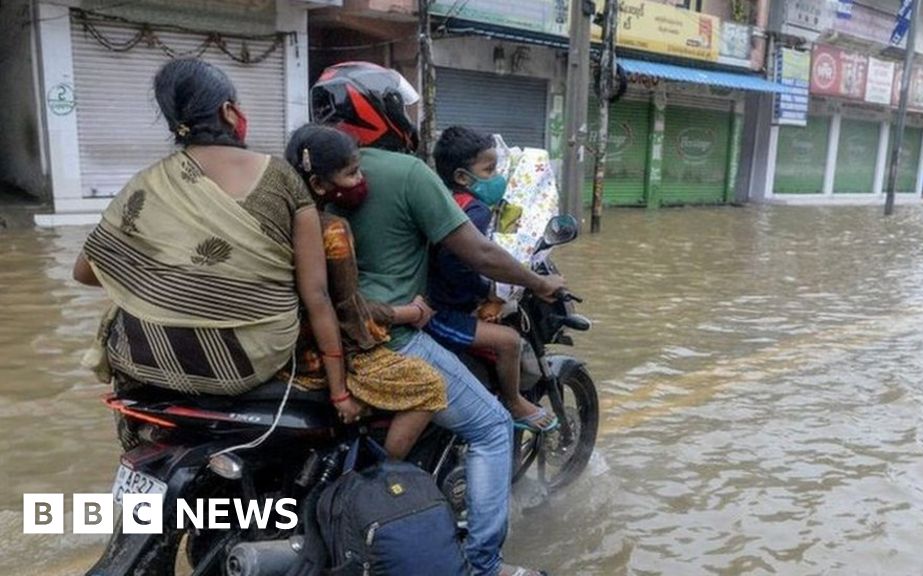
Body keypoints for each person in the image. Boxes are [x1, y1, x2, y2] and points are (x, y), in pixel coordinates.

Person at [311, 61, 563, 576]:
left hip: (329, 334)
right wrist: (539, 283)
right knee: (493, 427)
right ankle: (484, 564)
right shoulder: (407, 173)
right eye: (400, 106)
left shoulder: (311, 176)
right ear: (380, 110)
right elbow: (479, 254)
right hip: (395, 335)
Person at [73, 57, 345, 401]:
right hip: (245, 363)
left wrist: (166, 280)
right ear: (229, 112)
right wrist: (339, 391)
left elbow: (85, 272)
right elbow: (316, 295)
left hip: (143, 358)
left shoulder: (148, 184)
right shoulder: (281, 178)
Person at [283, 124, 447, 459]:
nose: (360, 180)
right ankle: (382, 476)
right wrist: (409, 313)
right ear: (318, 185)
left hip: (283, 347)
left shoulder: (278, 220)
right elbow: (345, 308)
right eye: (351, 173)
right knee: (431, 386)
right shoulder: (332, 230)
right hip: (319, 357)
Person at [429, 126, 558, 433]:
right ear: (462, 177)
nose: (497, 177)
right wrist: (490, 291)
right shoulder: (473, 211)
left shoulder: (447, 200)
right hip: (442, 313)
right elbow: (460, 265)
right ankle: (514, 402)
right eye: (489, 170)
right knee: (509, 341)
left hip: (438, 301)